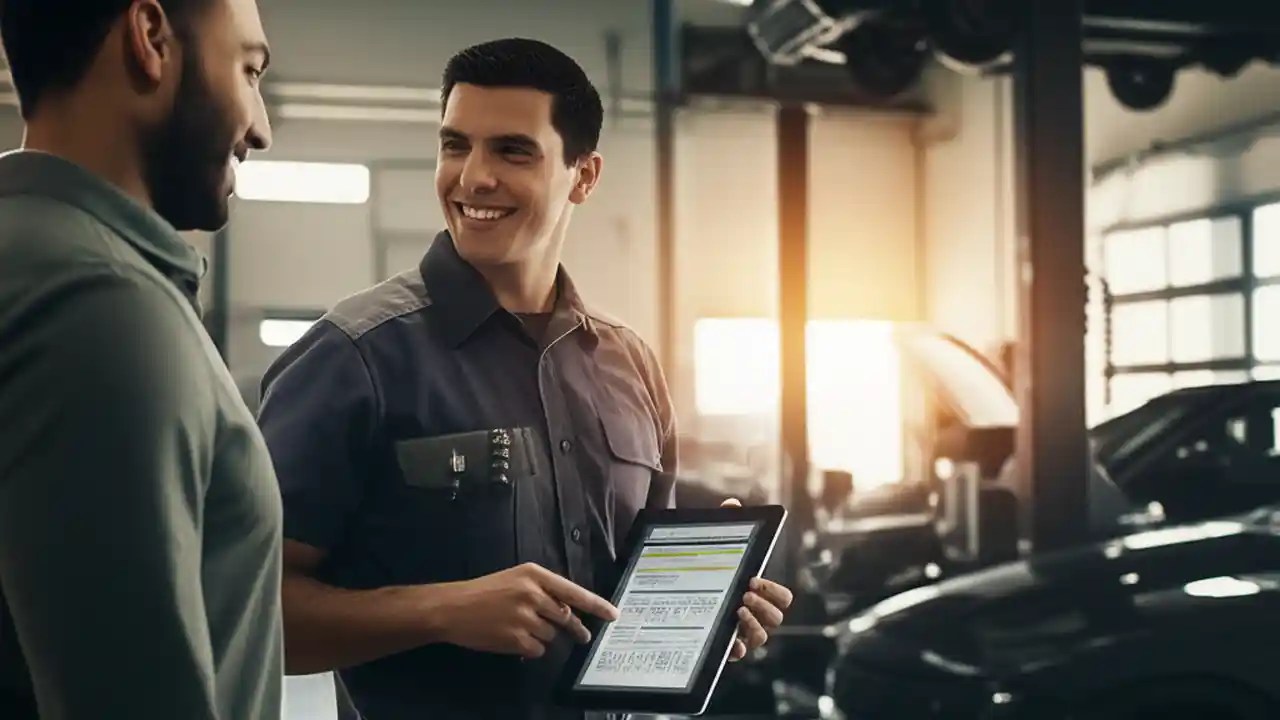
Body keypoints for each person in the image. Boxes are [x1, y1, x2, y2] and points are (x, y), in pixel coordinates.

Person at [257, 38, 794, 720]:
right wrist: (438, 611)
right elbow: (244, 609)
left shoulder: (629, 366)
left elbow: (627, 612)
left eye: (512, 151)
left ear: (584, 175)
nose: (472, 178)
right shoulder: (354, 358)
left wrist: (707, 612)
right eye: (455, 146)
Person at [0, 1, 281, 718]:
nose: (260, 127)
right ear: (150, 38)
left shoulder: (29, 257)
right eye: (248, 70)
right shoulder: (101, 304)